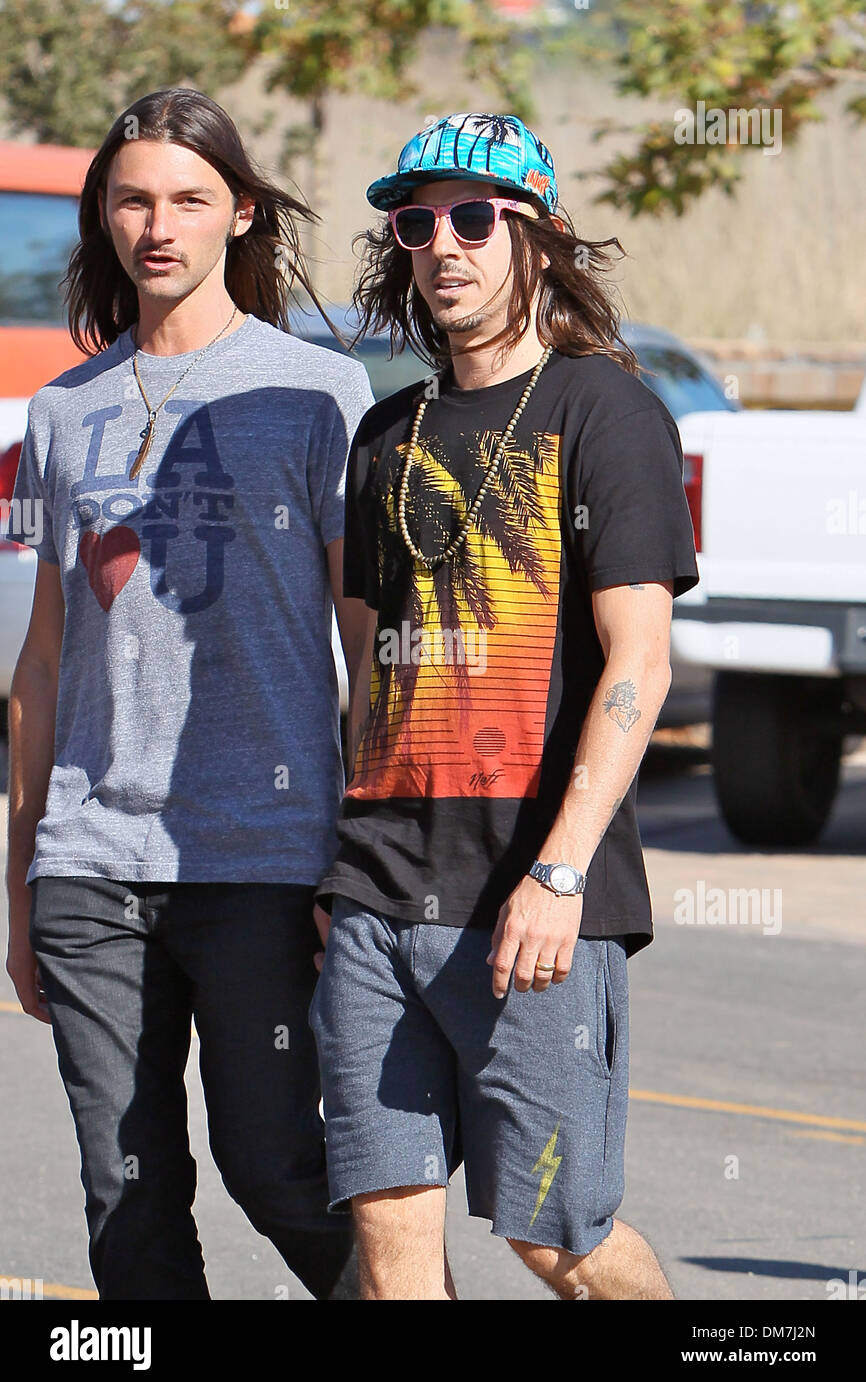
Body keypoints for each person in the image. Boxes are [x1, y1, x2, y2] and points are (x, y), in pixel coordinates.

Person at [310, 112, 700, 1300]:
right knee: (387, 1240)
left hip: (532, 900)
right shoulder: (387, 436)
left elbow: (638, 662)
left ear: (538, 238)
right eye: (416, 222)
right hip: (376, 892)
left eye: (475, 217)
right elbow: (367, 669)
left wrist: (561, 869)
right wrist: (333, 862)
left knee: (556, 1237)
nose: (445, 244)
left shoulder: (605, 413)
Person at [4, 87, 374, 1300]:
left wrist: (358, 860)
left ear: (240, 214)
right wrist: (20, 881)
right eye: (133, 198)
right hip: (90, 859)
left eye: (188, 199)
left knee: (276, 1166)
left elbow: (364, 644)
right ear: (104, 216)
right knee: (128, 1195)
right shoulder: (60, 411)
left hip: (263, 855)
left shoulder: (317, 394)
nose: (158, 224)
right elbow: (44, 662)